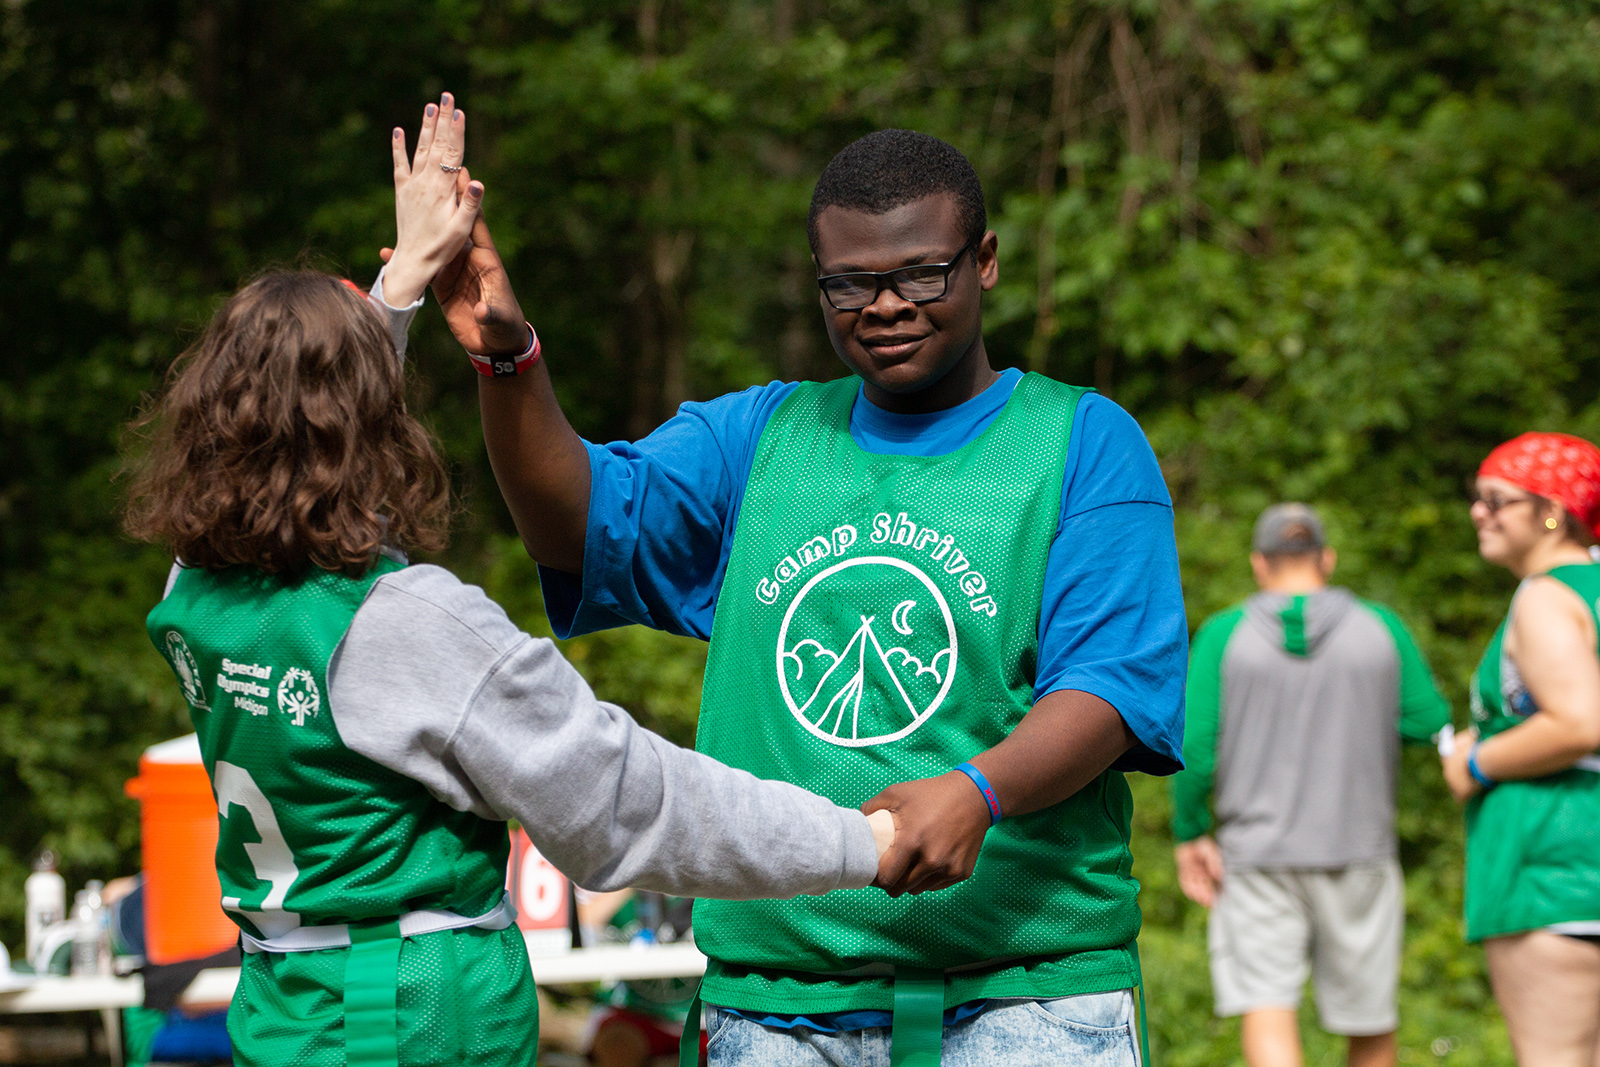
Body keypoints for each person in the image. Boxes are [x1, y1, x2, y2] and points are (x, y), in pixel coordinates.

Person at [122, 94, 895, 1067]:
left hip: (286, 1002)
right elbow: (628, 800)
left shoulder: (192, 591)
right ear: (376, 419)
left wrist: (403, 273)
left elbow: (304, 407)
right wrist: (856, 840)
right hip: (410, 1013)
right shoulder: (400, 625)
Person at [416, 125, 1188, 1066]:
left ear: (984, 262)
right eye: (851, 284)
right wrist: (508, 357)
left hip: (1026, 994)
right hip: (776, 1008)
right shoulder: (759, 438)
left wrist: (980, 792)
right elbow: (574, 524)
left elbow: (1108, 689)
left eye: (921, 274)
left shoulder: (1083, 444)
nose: (887, 306)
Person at [1169, 503, 1450, 1067]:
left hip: (1255, 857)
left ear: (1258, 564)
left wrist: (1190, 832)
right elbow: (1428, 720)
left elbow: (1195, 750)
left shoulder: (1225, 634)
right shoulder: (1380, 628)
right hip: (1359, 850)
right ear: (1327, 558)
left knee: (1267, 1007)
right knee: (1370, 1020)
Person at [1441, 433, 1600, 1066]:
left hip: (1552, 874)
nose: (1479, 512)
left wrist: (1473, 762)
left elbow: (1580, 721)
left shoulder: (1545, 597)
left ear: (1553, 510)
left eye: (1497, 500)